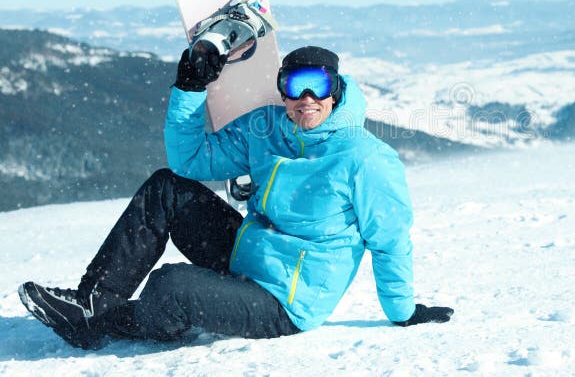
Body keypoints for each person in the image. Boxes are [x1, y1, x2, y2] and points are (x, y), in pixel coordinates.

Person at [19, 45, 453, 349]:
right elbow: (189, 160)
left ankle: (111, 325)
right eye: (295, 83)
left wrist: (402, 311)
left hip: (284, 301)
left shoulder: (365, 158)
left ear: (336, 91)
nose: (306, 98)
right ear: (281, 87)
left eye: (318, 85)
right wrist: (189, 90)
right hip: (247, 254)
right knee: (165, 187)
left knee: (173, 286)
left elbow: (390, 240)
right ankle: (95, 302)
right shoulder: (266, 128)